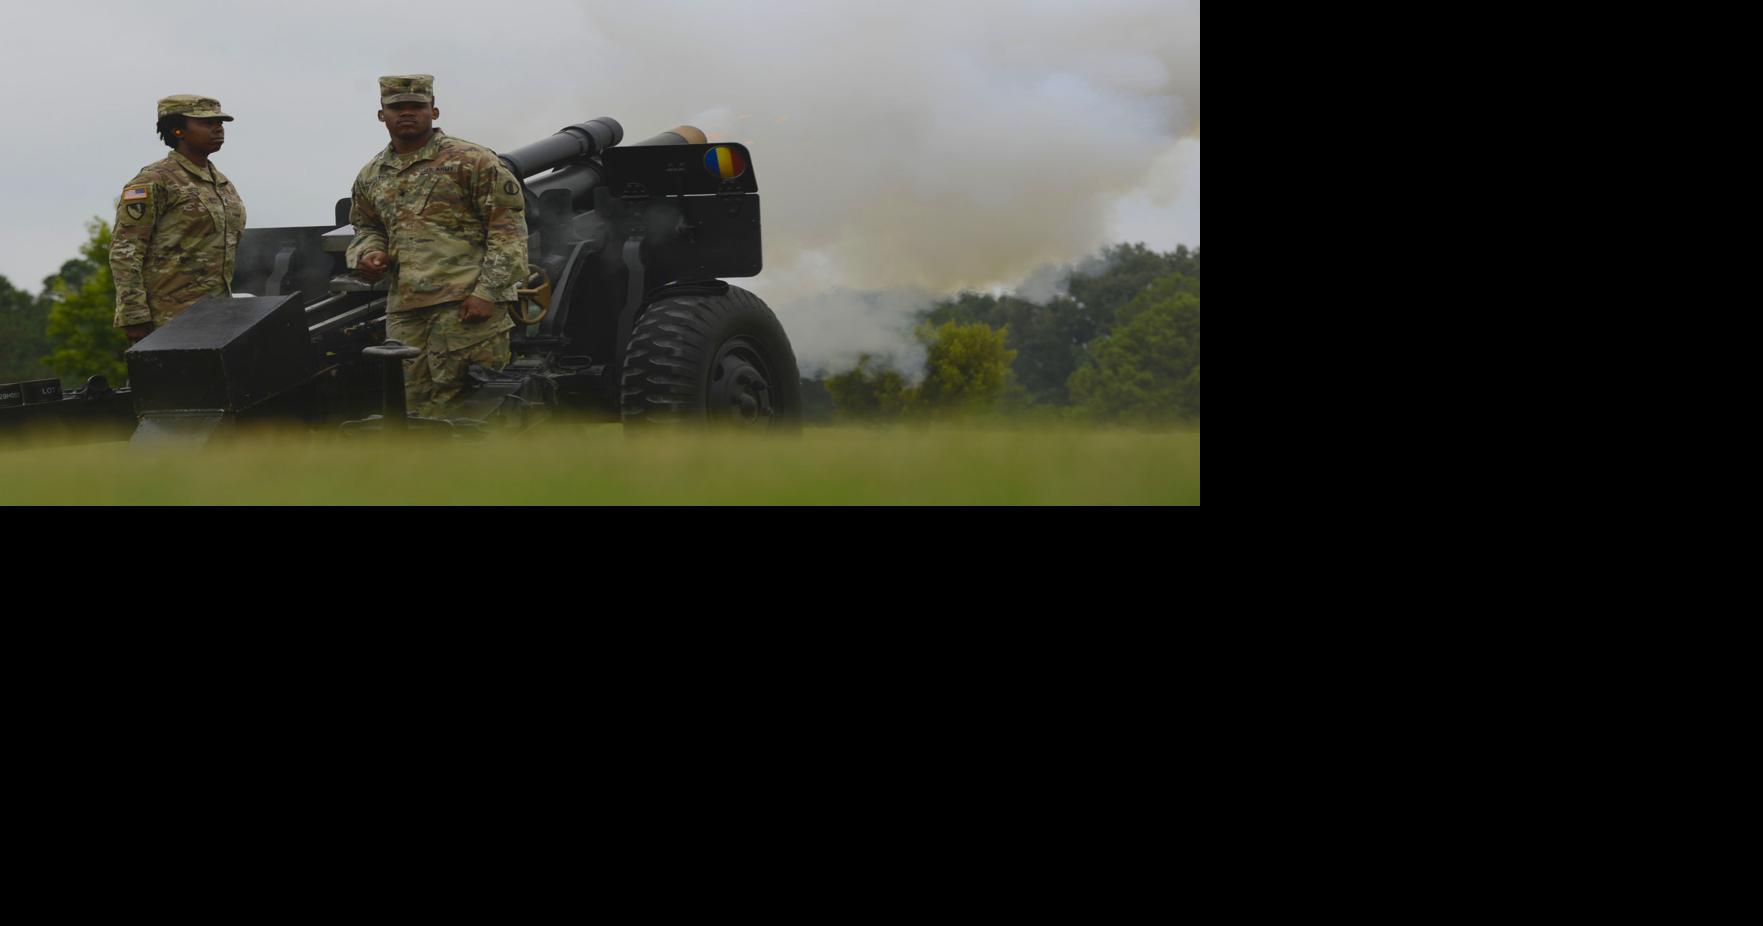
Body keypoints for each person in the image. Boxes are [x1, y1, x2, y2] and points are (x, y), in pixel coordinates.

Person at [345, 74, 528, 418]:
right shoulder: (372, 175)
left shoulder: (473, 161)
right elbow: (367, 226)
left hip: (466, 307)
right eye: (397, 107)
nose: (408, 113)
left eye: (417, 106)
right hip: (406, 309)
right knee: (408, 409)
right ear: (382, 115)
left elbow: (508, 232)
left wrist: (487, 292)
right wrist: (368, 254)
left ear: (435, 111)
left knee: (470, 408)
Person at [110, 95, 247, 342]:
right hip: (170, 319)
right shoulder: (155, 180)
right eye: (206, 123)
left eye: (220, 122)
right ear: (177, 130)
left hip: (219, 317)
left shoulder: (223, 184)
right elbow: (125, 250)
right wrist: (134, 314)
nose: (218, 128)